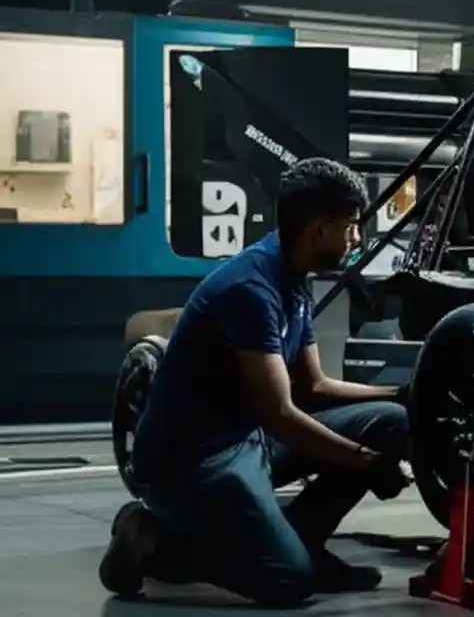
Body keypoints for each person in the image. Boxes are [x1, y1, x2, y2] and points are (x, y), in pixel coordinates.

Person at [100, 158, 412, 607]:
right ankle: (153, 540)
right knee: (289, 581)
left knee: (392, 421)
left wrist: (400, 394)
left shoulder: (294, 278)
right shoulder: (250, 290)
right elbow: (281, 415)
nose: (356, 239)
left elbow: (313, 387)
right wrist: (367, 462)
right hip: (193, 462)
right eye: (350, 227)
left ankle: (302, 542)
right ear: (319, 229)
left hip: (248, 439)